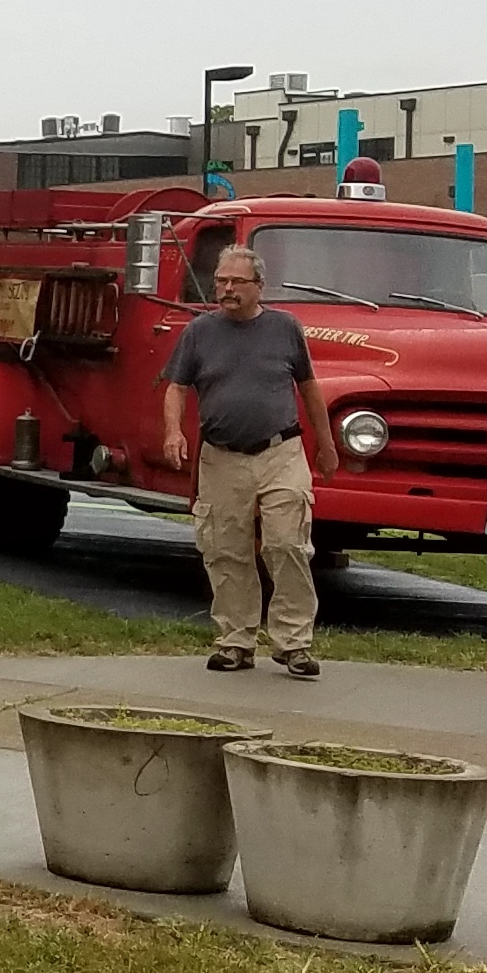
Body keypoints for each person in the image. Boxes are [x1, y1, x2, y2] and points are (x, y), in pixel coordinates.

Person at [159, 242, 336, 676]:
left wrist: (327, 445)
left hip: (281, 451)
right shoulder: (199, 332)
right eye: (221, 281)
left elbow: (310, 388)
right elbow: (176, 387)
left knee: (286, 543)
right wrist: (172, 431)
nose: (227, 289)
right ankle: (235, 640)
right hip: (221, 456)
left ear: (260, 286)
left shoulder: (286, 328)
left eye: (237, 282)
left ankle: (294, 644)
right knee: (225, 550)